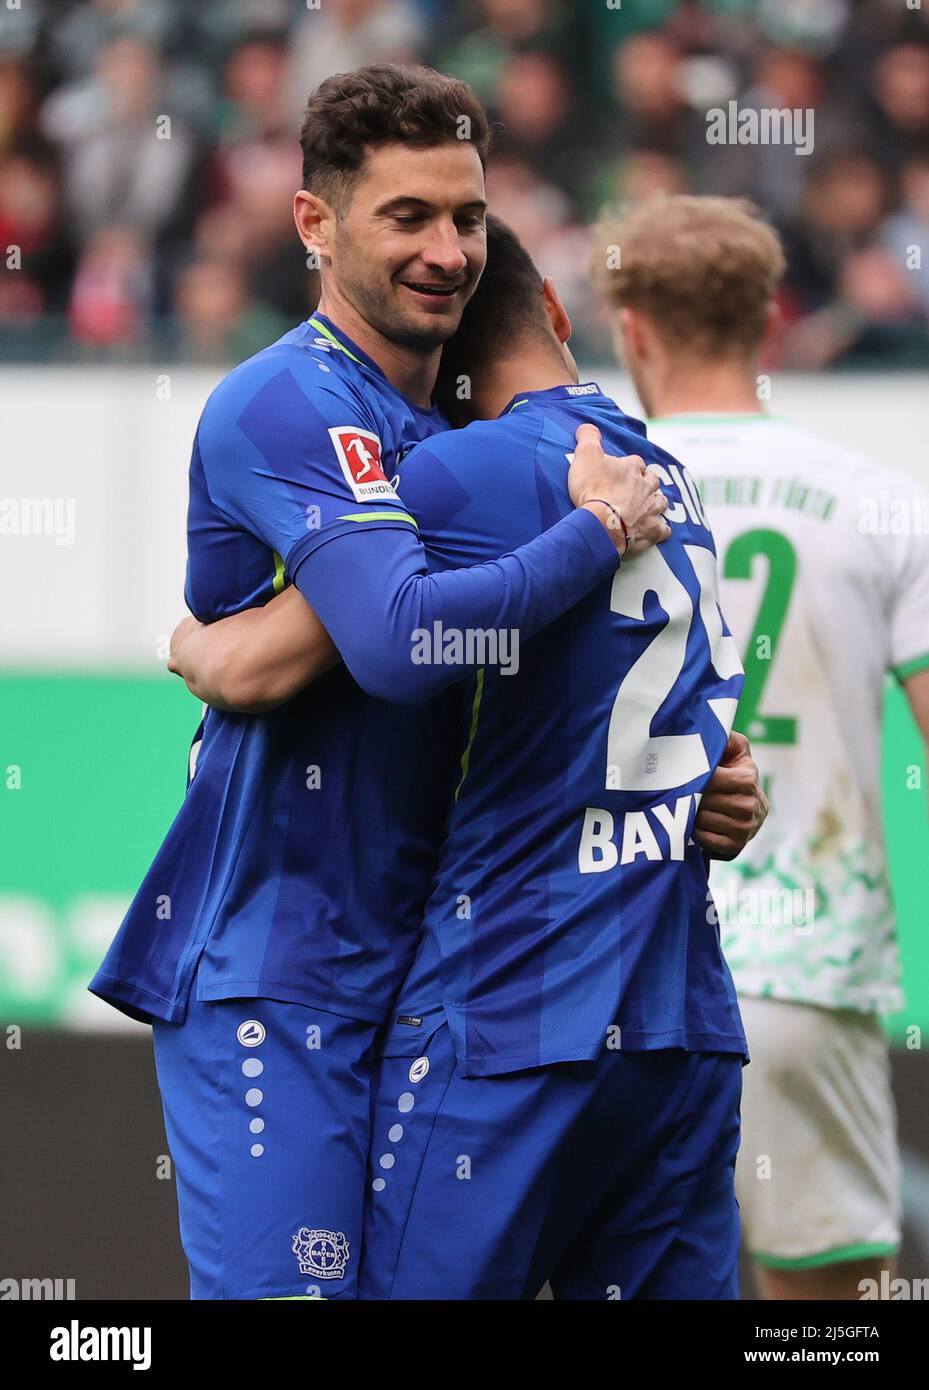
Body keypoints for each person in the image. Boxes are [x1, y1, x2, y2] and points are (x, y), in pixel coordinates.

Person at [89, 64, 669, 1302]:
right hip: (279, 968)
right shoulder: (292, 399)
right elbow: (404, 646)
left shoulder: (463, 438)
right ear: (315, 224)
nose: (447, 250)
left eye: (464, 216)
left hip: (441, 979)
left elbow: (252, 631)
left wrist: (715, 785)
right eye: (406, 216)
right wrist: (588, 534)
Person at [173, 215, 768, 1300]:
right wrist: (725, 790)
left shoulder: (461, 473)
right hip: (680, 1014)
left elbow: (299, 654)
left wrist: (201, 645)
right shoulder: (662, 476)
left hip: (514, 1010)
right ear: (554, 314)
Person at [596, 192, 929, 1299]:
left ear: (629, 323)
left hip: (607, 968)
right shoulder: (875, 502)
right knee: (829, 1307)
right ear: (769, 320)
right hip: (802, 965)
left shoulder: (583, 497)